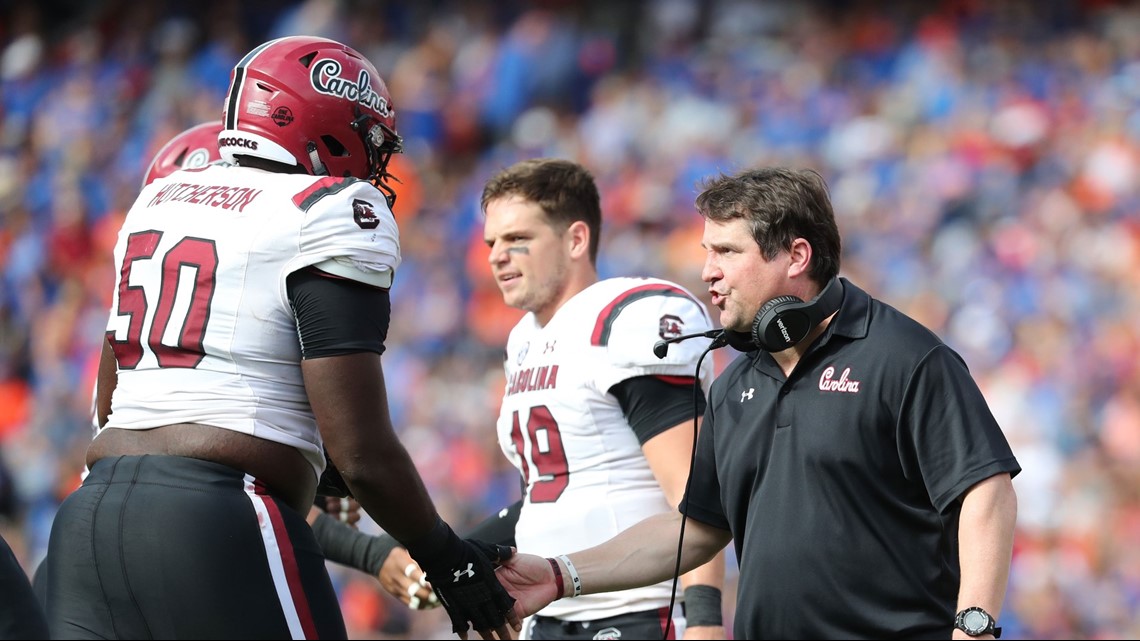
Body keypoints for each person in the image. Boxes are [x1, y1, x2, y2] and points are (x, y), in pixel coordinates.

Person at [40, 36, 515, 640]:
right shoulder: (332, 207)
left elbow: (113, 405)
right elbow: (361, 451)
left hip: (88, 520)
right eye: (369, 140)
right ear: (322, 120)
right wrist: (449, 560)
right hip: (219, 518)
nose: (375, 164)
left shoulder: (158, 198)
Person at [493, 167, 1021, 640]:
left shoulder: (904, 356)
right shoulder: (735, 382)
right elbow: (696, 529)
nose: (707, 273)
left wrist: (973, 628)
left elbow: (985, 492)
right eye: (707, 252)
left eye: (726, 252)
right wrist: (561, 574)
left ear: (796, 256)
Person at [478, 158, 728, 640]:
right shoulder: (524, 339)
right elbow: (560, 488)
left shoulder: (626, 317)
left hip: (639, 611)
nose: (497, 256)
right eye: (492, 242)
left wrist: (704, 620)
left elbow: (697, 496)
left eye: (517, 239)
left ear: (575, 239)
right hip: (548, 612)